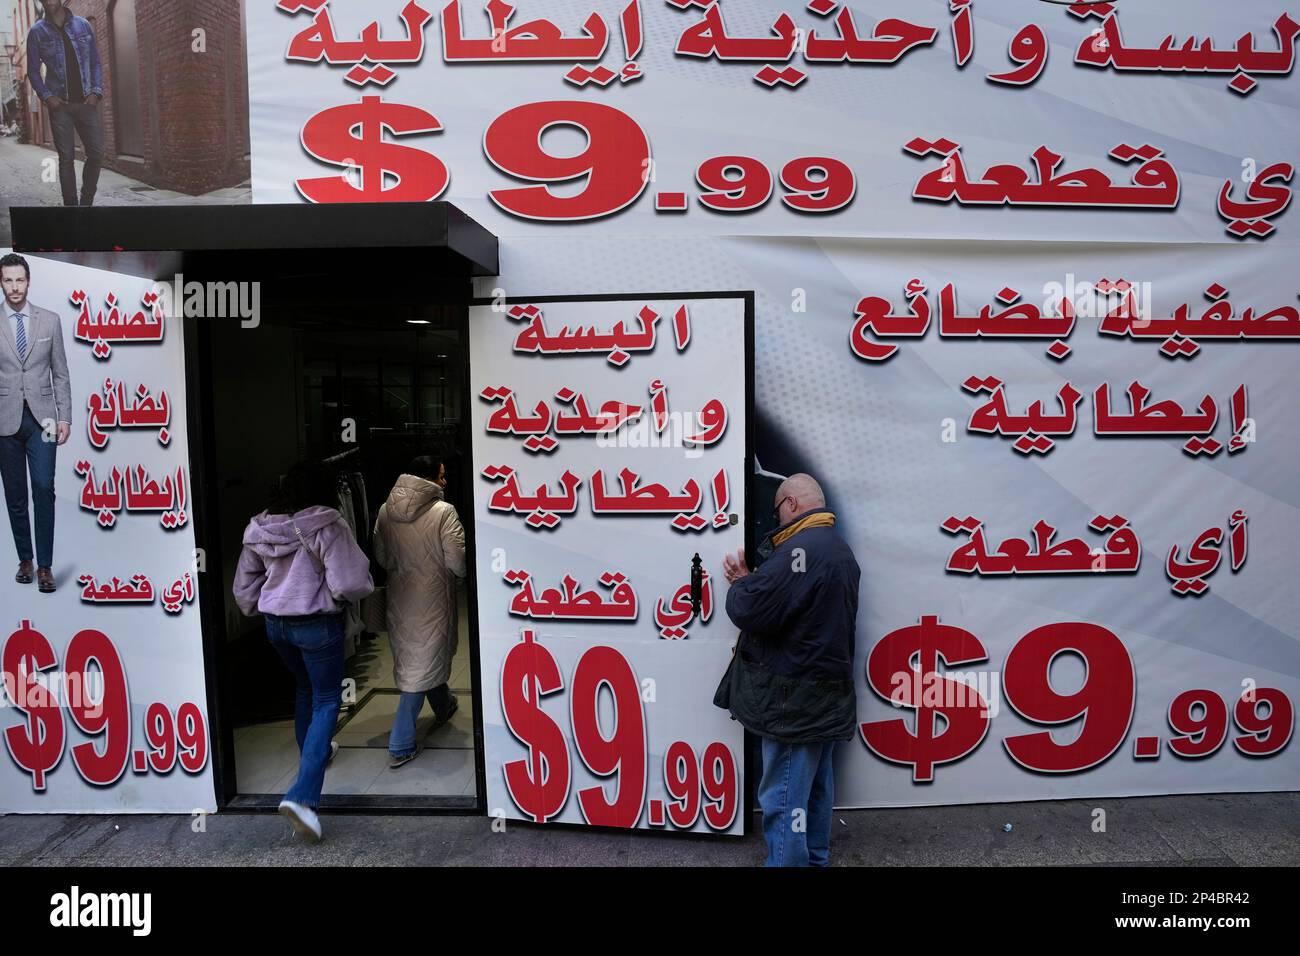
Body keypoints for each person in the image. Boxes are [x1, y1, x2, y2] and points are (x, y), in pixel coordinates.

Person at [720, 473, 860, 867]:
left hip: (793, 698)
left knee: (782, 793)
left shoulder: (801, 549)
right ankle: (814, 859)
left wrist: (741, 582)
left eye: (777, 510)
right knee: (815, 787)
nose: (776, 519)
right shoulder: (837, 548)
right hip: (826, 692)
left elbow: (751, 610)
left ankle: (787, 863)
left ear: (792, 505)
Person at [232, 462, 373, 844]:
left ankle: (313, 758)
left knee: (305, 691)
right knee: (328, 700)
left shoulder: (259, 528)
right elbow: (349, 581)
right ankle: (302, 796)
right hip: (316, 624)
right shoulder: (328, 524)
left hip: (276, 626)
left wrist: (260, 605)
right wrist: (340, 596)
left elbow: (244, 587)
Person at [373, 456, 466, 768]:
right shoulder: (444, 512)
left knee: (420, 656)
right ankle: (401, 743)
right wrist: (461, 576)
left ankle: (444, 704)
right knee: (421, 663)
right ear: (428, 478)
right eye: (441, 475)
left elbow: (382, 557)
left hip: (400, 596)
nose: (445, 481)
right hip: (434, 595)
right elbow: (456, 560)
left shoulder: (386, 510)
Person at [0, 253, 71, 593]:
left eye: (20, 279)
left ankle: (45, 566)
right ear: (1, 283)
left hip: (43, 420)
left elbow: (61, 373)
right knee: (15, 495)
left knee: (43, 489)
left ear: (29, 281)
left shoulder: (50, 321)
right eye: (8, 280)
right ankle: (25, 560)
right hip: (5, 421)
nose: (14, 286)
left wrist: (65, 417)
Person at [26, 0, 105, 207]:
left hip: (86, 102)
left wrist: (96, 91)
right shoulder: (37, 32)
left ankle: (86, 204)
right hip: (60, 106)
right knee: (66, 159)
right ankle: (71, 209)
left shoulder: (83, 25)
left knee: (96, 154)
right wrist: (46, 96)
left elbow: (95, 61)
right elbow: (33, 70)